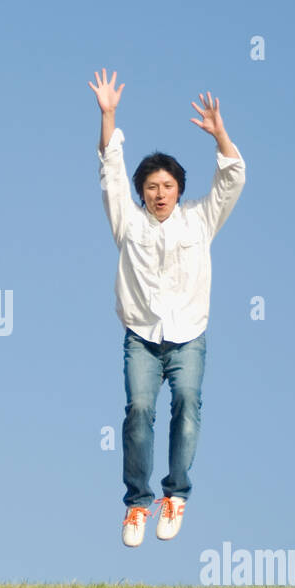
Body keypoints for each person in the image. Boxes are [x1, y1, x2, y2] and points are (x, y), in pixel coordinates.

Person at [88, 68, 245, 547]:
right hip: (141, 335)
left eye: (167, 186)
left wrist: (220, 134)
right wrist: (109, 114)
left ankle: (176, 495)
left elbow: (232, 178)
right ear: (142, 193)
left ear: (179, 189)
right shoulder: (128, 224)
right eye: (151, 187)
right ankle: (137, 504)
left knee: (187, 405)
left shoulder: (200, 219)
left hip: (189, 336)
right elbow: (110, 169)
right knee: (138, 410)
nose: (159, 194)